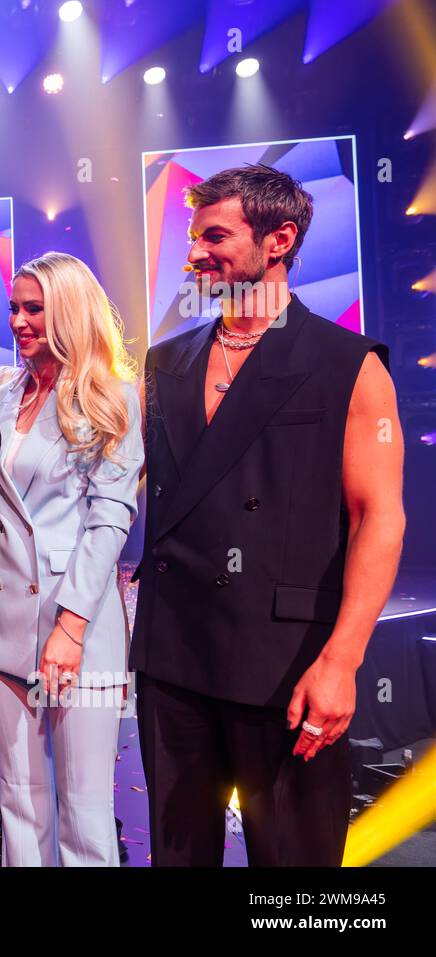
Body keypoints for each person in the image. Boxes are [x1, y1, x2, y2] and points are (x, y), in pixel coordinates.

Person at [131, 164, 405, 866]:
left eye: (214, 235)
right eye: (192, 237)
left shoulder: (347, 362)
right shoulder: (165, 363)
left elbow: (381, 516)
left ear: (279, 238)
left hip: (287, 666)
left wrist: (342, 660)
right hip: (173, 659)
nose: (193, 253)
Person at [0, 252, 142, 866]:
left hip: (80, 625)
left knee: (85, 809)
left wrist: (70, 628)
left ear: (68, 313)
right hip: (1, 627)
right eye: (14, 308)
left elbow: (110, 521)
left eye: (33, 309)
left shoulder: (114, 398)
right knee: (19, 801)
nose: (18, 321)